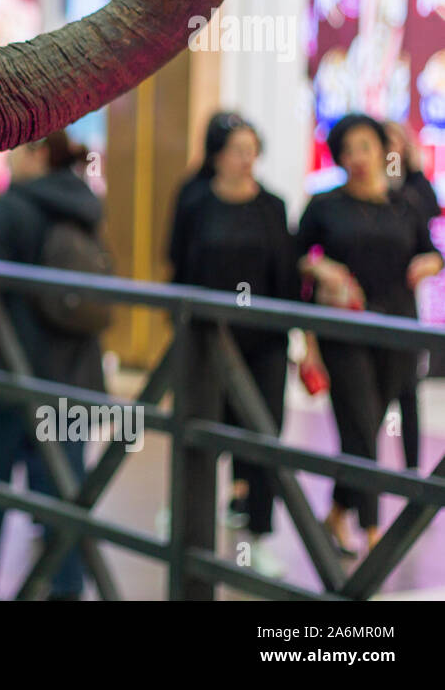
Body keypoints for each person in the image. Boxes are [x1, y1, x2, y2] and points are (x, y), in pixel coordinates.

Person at [297, 113, 443, 555]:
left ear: (383, 149)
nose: (358, 157)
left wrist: (428, 265)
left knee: (367, 428)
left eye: (366, 146)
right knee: (360, 422)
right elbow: (296, 255)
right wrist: (321, 267)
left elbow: (431, 252)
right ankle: (374, 532)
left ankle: (337, 514)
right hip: (346, 330)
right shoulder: (324, 205)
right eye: (347, 150)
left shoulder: (406, 205)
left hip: (397, 328)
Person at [0, 130, 107, 599]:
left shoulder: (13, 208)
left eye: (16, 147)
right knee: (64, 507)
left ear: (36, 153)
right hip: (74, 378)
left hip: (12, 378)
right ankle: (65, 591)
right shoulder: (84, 206)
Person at [167, 112, 297, 576]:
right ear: (217, 155)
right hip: (206, 340)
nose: (246, 160)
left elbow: (287, 276)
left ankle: (259, 534)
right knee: (200, 430)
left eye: (251, 150)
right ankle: (187, 516)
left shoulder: (273, 207)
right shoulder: (196, 201)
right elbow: (178, 265)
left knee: (263, 438)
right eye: (236, 150)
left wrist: (287, 335)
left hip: (263, 345)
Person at [383, 120, 440, 471]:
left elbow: (430, 244)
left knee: (407, 388)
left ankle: (412, 470)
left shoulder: (415, 191)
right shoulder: (363, 193)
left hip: (405, 301)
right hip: (371, 303)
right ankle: (356, 495)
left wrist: (429, 262)